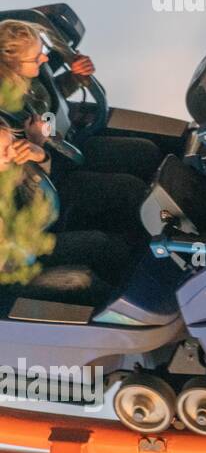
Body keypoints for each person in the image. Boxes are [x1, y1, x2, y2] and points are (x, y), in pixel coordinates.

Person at [0, 21, 152, 238]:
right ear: (11, 64)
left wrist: (76, 76)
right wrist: (39, 145)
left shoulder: (29, 79)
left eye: (41, 51)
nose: (44, 59)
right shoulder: (7, 114)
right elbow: (26, 178)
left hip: (66, 148)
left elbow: (48, 102)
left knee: (144, 152)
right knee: (131, 190)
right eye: (35, 57)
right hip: (53, 180)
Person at [0, 124, 132, 306]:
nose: (11, 154)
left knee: (100, 242)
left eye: (11, 145)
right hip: (10, 277)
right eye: (3, 151)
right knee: (80, 280)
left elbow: (40, 200)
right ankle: (119, 314)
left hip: (30, 243)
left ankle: (142, 284)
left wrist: (39, 154)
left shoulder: (8, 168)